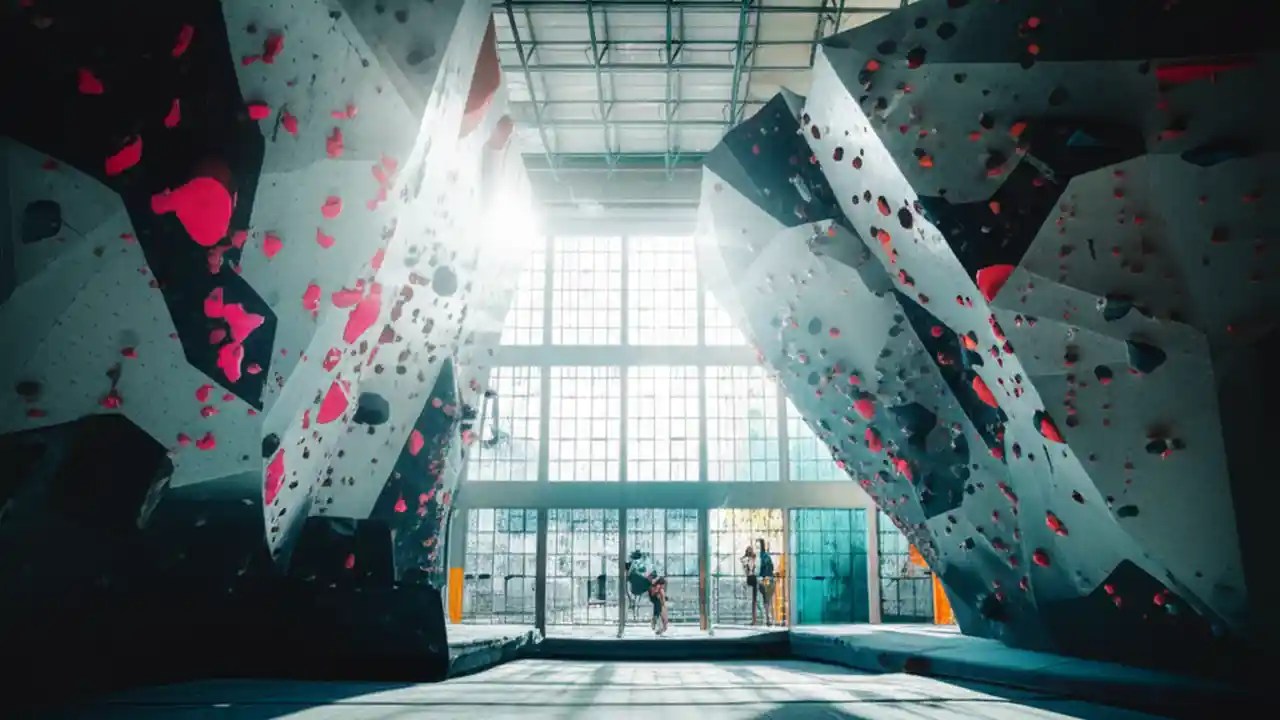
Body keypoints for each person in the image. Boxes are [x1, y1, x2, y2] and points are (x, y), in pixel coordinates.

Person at [756, 538, 776, 627]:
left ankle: (768, 618)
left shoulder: (763, 557)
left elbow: (763, 569)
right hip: (769, 578)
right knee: (767, 599)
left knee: (766, 599)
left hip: (766, 579)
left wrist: (761, 577)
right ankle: (769, 618)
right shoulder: (766, 557)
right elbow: (771, 567)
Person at [740, 543, 759, 625]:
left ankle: (754, 619)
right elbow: (745, 566)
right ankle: (753, 619)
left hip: (753, 578)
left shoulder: (753, 559)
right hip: (750, 578)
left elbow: (752, 568)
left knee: (754, 600)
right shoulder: (748, 560)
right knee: (753, 600)